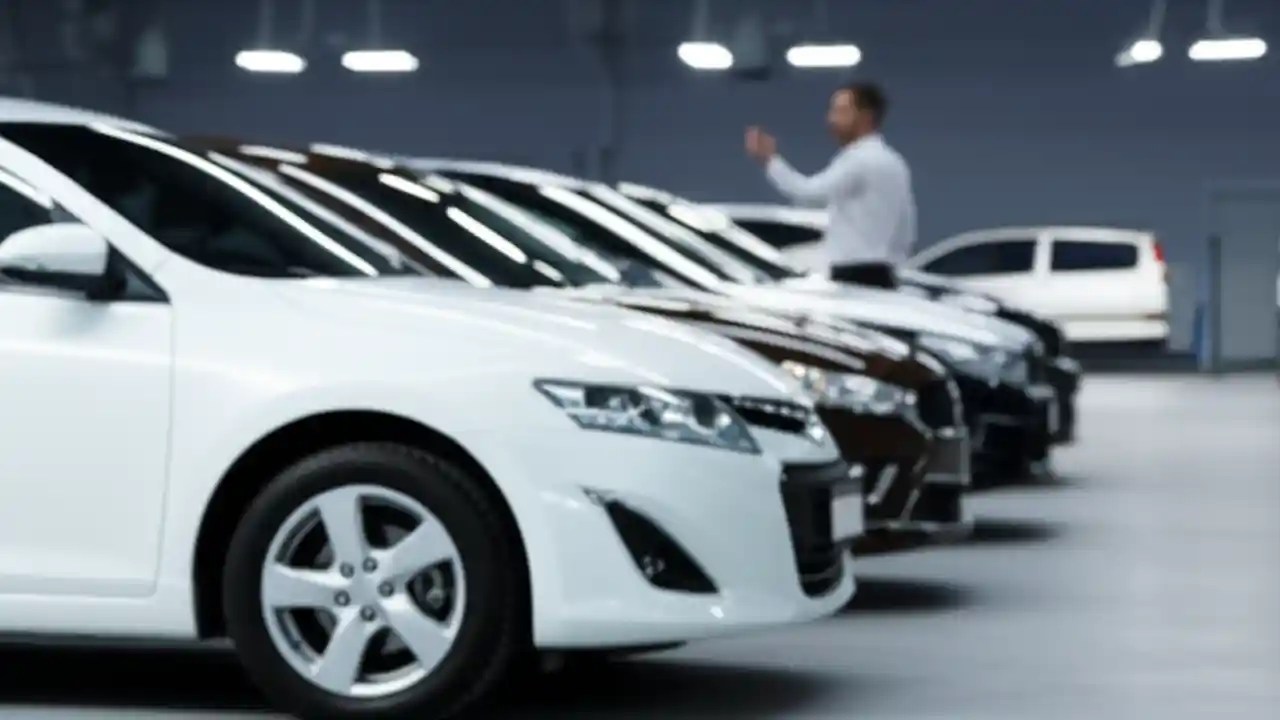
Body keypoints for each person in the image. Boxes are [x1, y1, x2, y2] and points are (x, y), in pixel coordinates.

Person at [745, 81, 915, 289]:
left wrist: (770, 160)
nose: (831, 119)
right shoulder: (894, 162)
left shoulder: (858, 160)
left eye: (841, 111)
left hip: (853, 273)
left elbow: (808, 193)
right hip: (886, 272)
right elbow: (906, 225)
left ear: (866, 116)